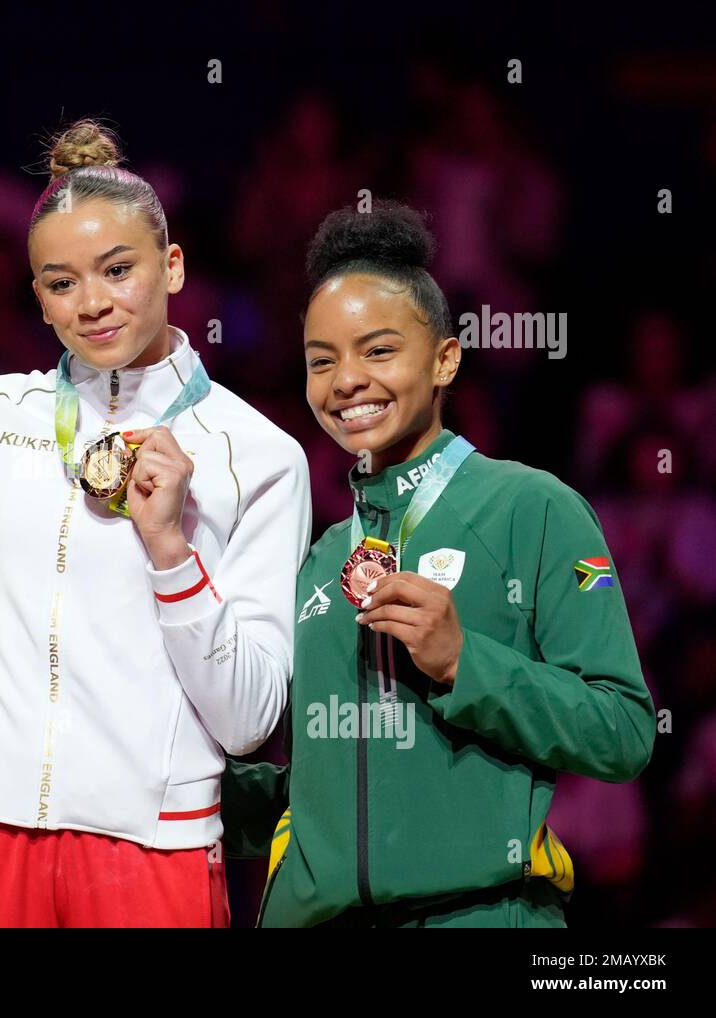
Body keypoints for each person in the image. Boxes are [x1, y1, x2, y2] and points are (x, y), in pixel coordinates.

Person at [0, 120, 311, 927]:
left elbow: (247, 720)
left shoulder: (259, 454)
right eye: (60, 283)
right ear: (37, 296)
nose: (92, 303)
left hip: (149, 845)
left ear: (172, 265)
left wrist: (170, 553)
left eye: (118, 270)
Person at [222, 201, 656, 927]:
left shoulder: (532, 508)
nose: (347, 379)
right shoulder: (320, 553)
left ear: (445, 359)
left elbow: (624, 730)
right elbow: (327, 792)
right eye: (321, 360)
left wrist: (466, 663)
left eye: (379, 350)